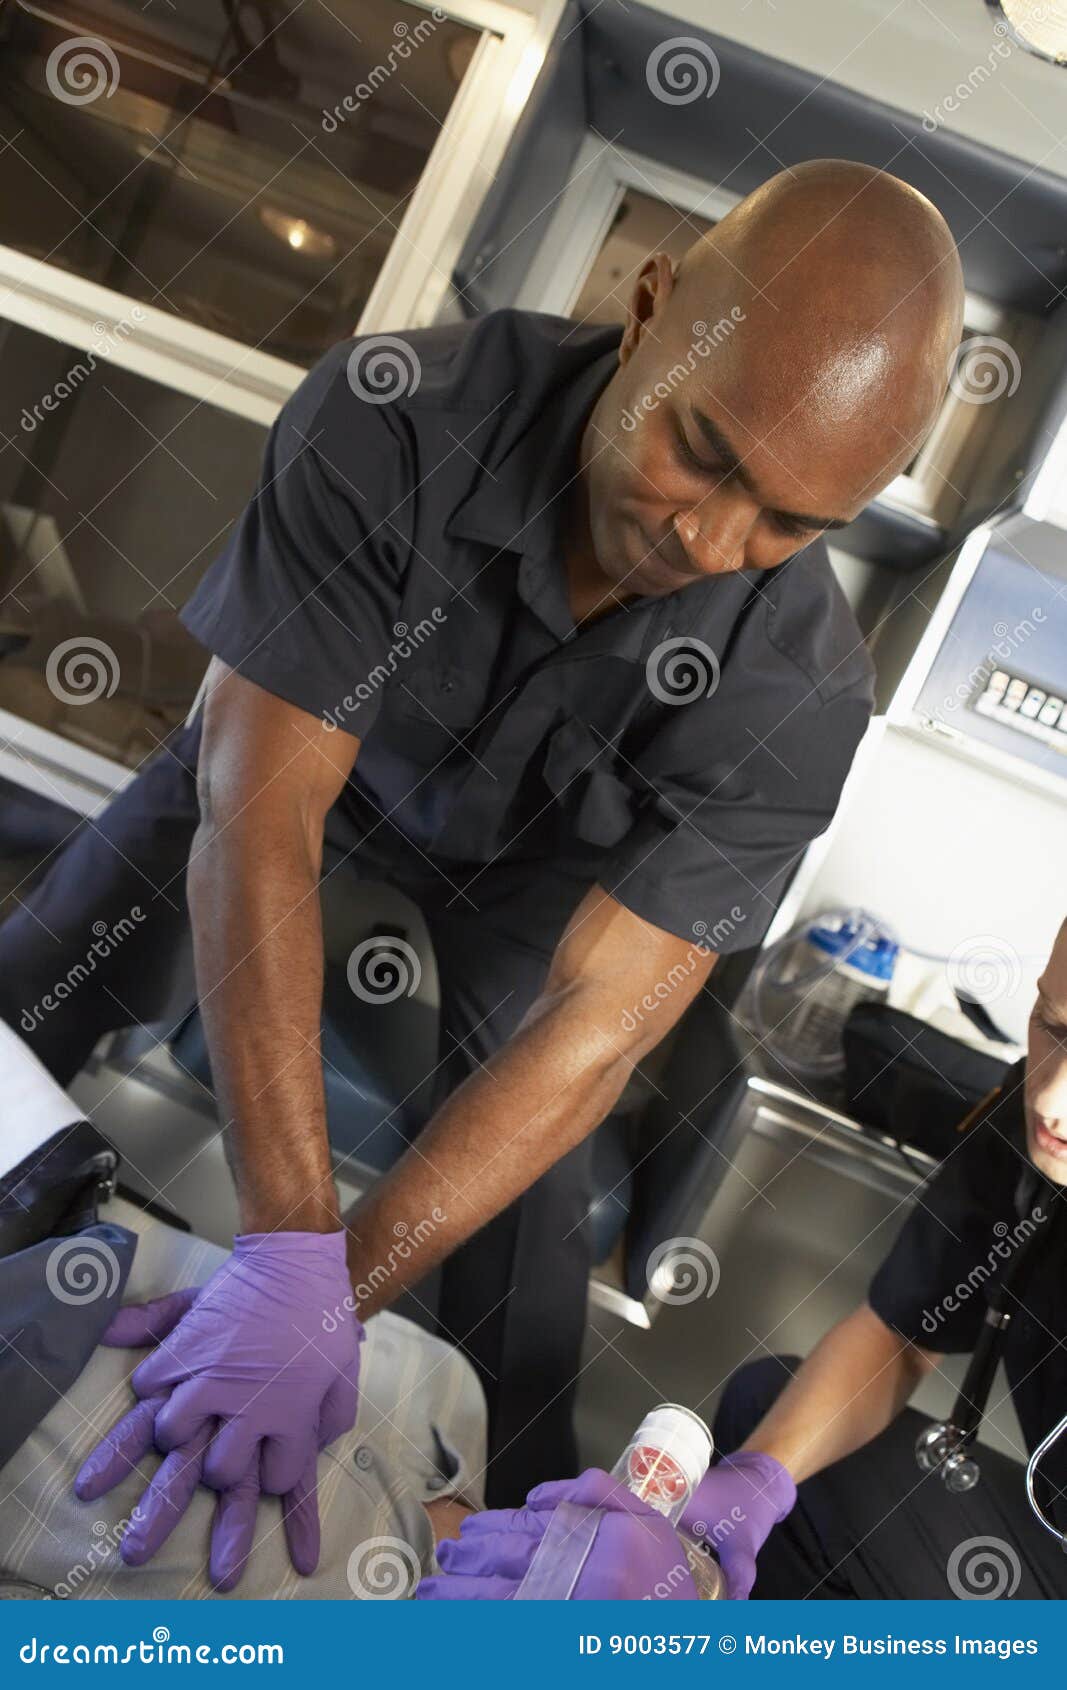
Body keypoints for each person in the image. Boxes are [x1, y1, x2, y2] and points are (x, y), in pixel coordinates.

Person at [0, 159, 964, 1572]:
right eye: (700, 449)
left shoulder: (799, 692)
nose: (708, 540)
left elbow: (601, 1022)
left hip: (525, 892)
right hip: (297, 777)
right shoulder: (394, 418)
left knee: (526, 1276)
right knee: (46, 963)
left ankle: (507, 1574)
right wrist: (284, 1239)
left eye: (787, 524)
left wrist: (327, 1302)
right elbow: (259, 814)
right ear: (650, 306)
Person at [426, 917, 1067, 1601]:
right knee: (770, 1406)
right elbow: (904, 1335)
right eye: (1052, 1027)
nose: (1051, 1100)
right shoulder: (1030, 1116)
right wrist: (759, 1483)